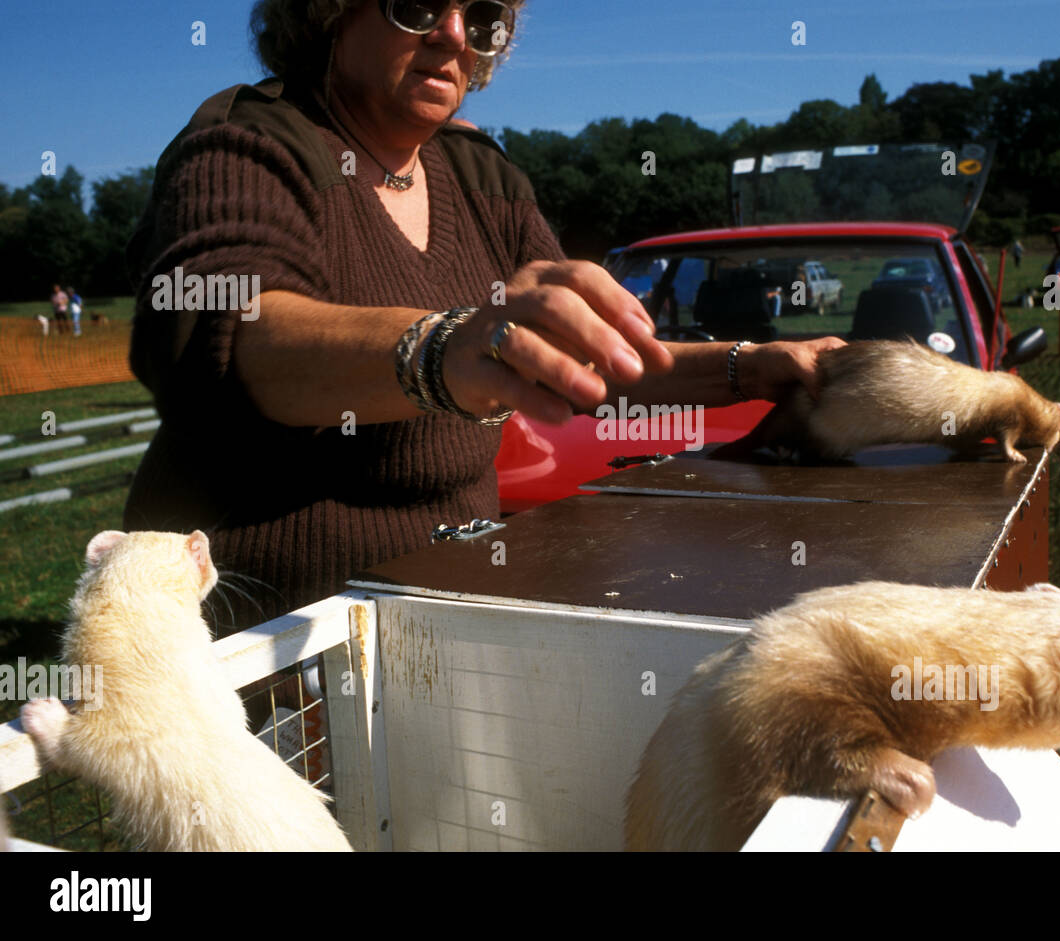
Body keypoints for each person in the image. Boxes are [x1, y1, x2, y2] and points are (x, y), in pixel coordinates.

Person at [124, 0, 843, 638]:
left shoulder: (480, 174)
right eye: (416, 4)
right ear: (327, 11)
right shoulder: (247, 142)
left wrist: (753, 367)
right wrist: (441, 349)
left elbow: (577, 361)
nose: (454, 34)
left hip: (452, 614)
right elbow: (225, 332)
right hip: (274, 645)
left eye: (485, 17)